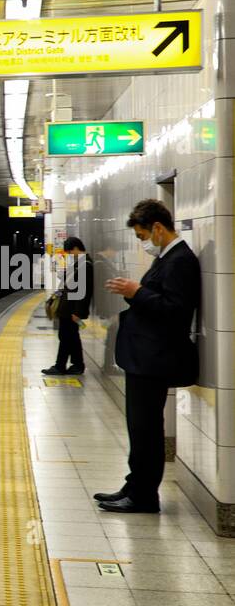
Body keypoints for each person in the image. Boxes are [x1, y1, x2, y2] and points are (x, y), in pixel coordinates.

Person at [98, 199, 200, 514]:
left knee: (146, 429)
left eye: (143, 236)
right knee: (140, 427)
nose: (143, 242)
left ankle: (143, 496)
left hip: (155, 359)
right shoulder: (169, 258)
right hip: (146, 359)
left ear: (157, 228)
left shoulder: (180, 260)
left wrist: (136, 291)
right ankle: (134, 486)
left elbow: (176, 310)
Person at [42, 237, 93, 376]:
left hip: (72, 310)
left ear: (77, 248)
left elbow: (84, 291)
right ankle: (77, 364)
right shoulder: (79, 264)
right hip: (68, 308)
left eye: (70, 251)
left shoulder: (85, 265)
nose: (70, 254)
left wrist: (78, 312)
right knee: (71, 337)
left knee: (65, 337)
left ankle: (60, 366)